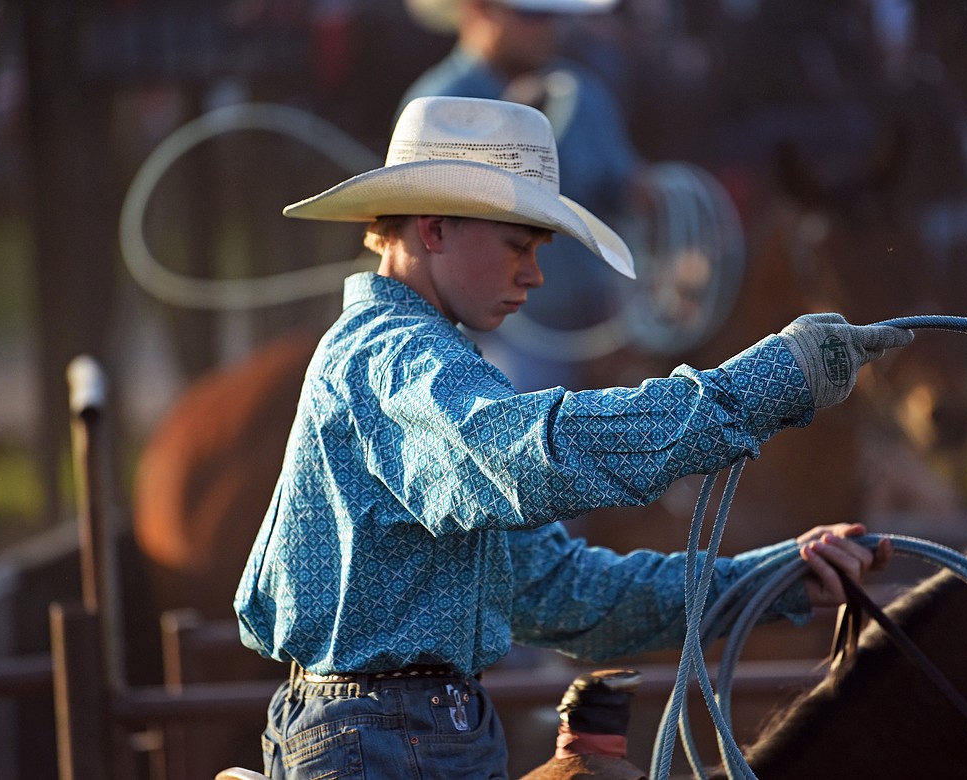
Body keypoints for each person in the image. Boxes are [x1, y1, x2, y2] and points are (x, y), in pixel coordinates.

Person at [234, 95, 912, 779]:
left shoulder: (404, 366)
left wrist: (774, 580)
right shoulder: (399, 361)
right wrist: (765, 385)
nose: (533, 273)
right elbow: (532, 459)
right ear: (434, 228)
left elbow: (573, 596)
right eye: (517, 245)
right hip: (391, 743)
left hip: (391, 736)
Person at [399, 0, 640, 391]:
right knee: (520, 424)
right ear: (477, 10)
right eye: (532, 13)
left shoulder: (585, 94)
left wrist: (649, 194)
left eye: (555, 15)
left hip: (602, 322)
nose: (550, 28)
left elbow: (623, 183)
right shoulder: (437, 106)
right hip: (508, 331)